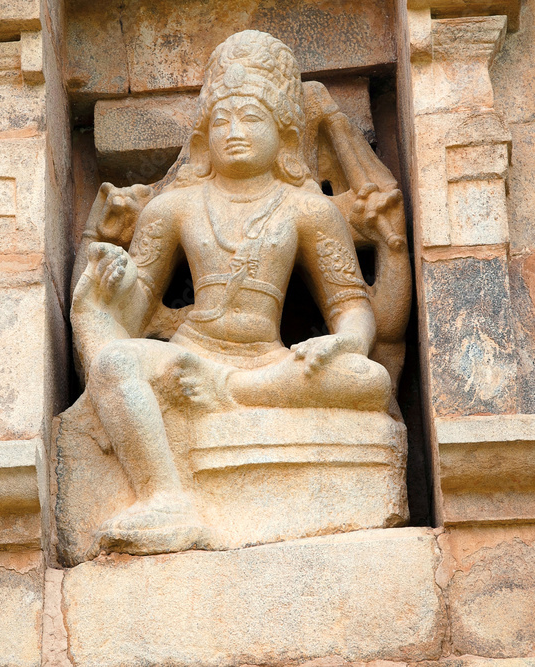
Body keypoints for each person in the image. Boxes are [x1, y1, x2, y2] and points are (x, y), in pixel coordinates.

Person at [72, 30, 391, 555]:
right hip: (189, 352)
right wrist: (114, 280)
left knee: (368, 379)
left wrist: (342, 344)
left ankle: (230, 391)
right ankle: (165, 499)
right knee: (114, 366)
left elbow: (351, 307)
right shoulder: (172, 208)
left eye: (251, 118)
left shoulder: (308, 210)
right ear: (201, 137)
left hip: (268, 365)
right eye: (220, 120)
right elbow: (134, 310)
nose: (234, 131)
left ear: (285, 135)